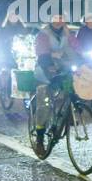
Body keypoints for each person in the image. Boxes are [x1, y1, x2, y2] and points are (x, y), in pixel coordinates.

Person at [34, 12, 80, 146]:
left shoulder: (67, 33)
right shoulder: (42, 35)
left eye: (61, 18)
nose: (58, 21)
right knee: (45, 103)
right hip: (45, 69)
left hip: (62, 67)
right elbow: (42, 54)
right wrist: (49, 66)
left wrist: (86, 61)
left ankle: (68, 113)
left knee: (72, 87)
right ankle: (40, 137)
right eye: (55, 18)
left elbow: (77, 49)